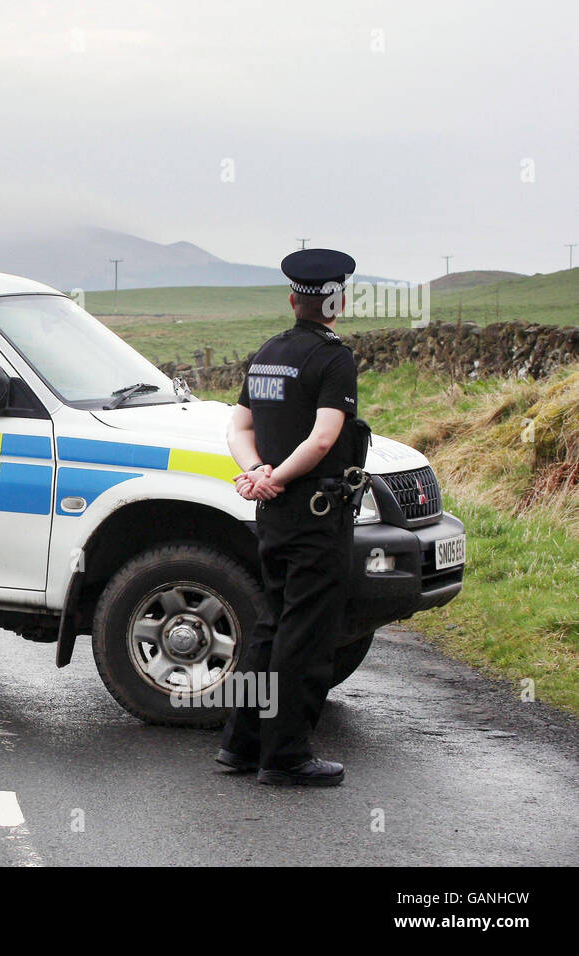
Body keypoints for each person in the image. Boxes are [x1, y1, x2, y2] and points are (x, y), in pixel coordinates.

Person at [217, 248, 359, 787]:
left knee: (270, 628)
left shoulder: (267, 353)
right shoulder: (334, 358)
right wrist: (277, 477)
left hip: (272, 514)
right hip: (313, 514)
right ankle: (287, 756)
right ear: (336, 300)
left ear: (294, 298)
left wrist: (257, 473)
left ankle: (241, 744)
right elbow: (323, 438)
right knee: (306, 635)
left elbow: (239, 429)